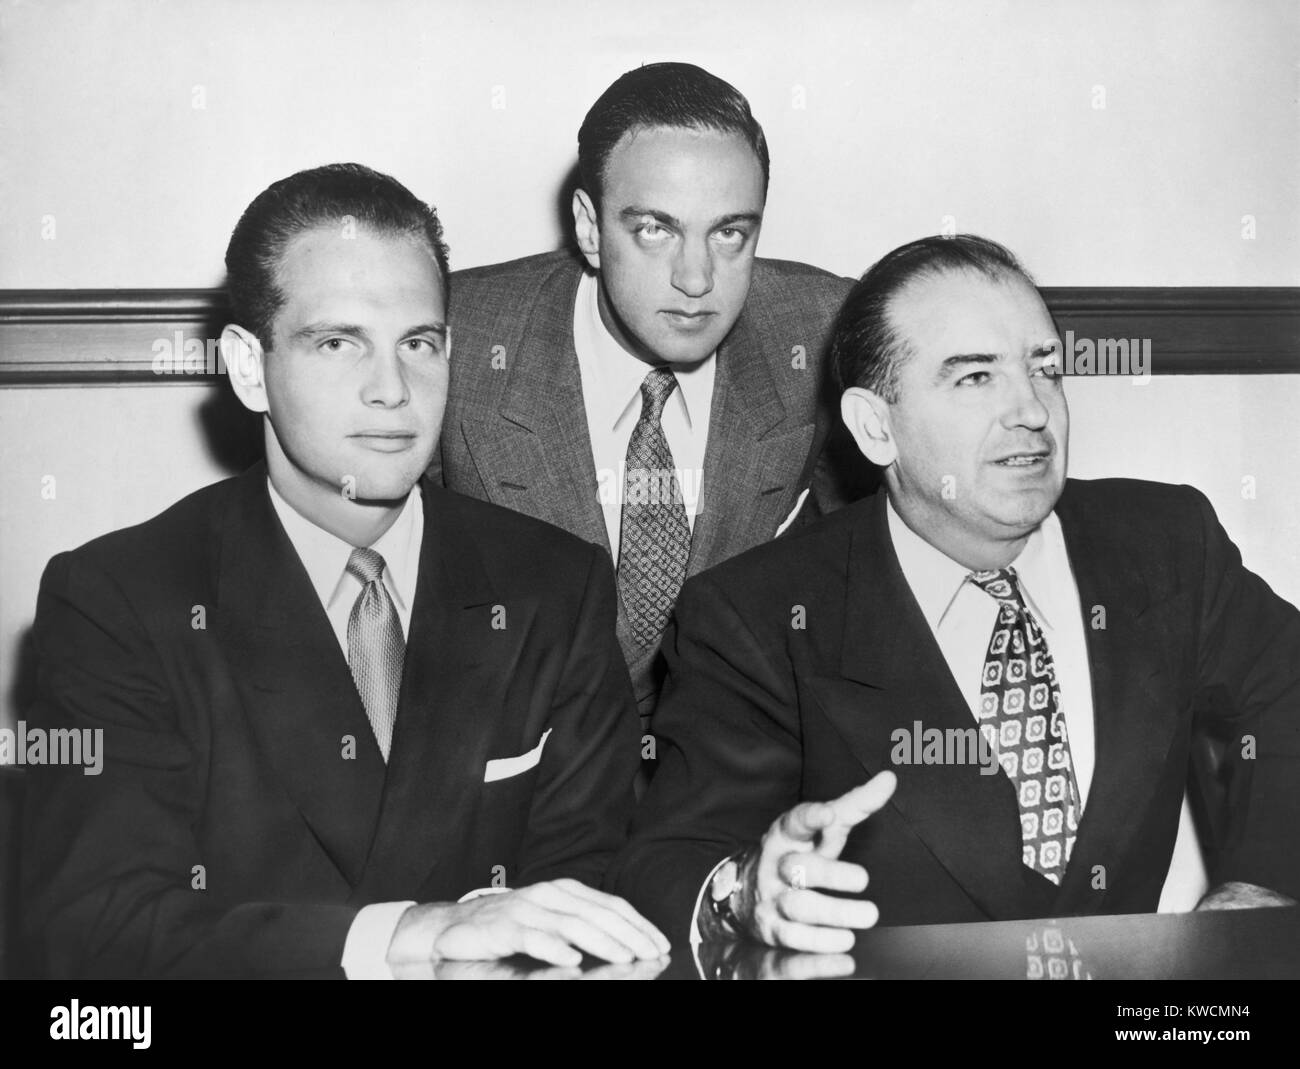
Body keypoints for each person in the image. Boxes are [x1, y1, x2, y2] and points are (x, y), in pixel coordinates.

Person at [21, 163, 667, 978]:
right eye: (337, 343)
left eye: (419, 344)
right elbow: (93, 931)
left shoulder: (555, 587)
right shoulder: (120, 602)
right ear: (250, 369)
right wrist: (406, 936)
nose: (392, 390)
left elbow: (595, 888)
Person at [608, 234, 1300, 949]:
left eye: (1046, 369)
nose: (1031, 410)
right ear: (876, 427)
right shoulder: (760, 615)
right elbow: (664, 864)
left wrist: (1267, 880)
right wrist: (743, 893)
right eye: (976, 378)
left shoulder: (1166, 544)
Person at [436, 63, 855, 733]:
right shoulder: (458, 342)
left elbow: (869, 559)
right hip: (522, 773)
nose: (697, 279)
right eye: (655, 229)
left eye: (730, 233)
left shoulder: (821, 328)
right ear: (589, 226)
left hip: (735, 773)